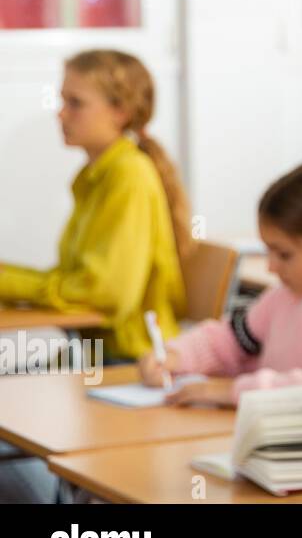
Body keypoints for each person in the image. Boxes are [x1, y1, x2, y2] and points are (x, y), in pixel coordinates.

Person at [140, 160, 302, 407]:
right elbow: (228, 340)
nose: (271, 266)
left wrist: (237, 390)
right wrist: (175, 356)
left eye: (284, 255)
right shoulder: (283, 297)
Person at [0, 49, 190, 360]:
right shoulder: (95, 177)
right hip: (93, 350)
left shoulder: (129, 175)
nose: (60, 113)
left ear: (121, 111)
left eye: (75, 103)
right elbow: (77, 278)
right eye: (63, 101)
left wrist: (7, 283)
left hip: (127, 356)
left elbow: (106, 293)